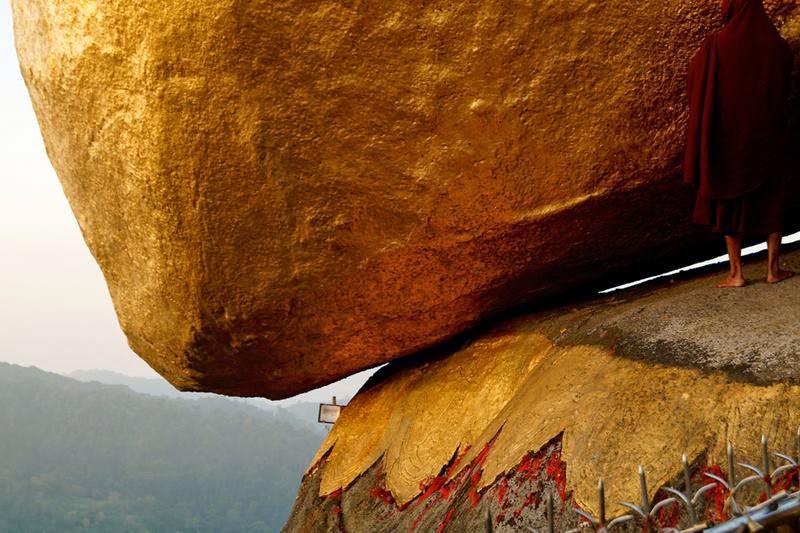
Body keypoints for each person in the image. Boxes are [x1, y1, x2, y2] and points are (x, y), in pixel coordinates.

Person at [683, 0, 795, 288]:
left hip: (730, 140)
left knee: (731, 204)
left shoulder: (716, 45)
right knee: (772, 202)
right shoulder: (777, 46)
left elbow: (695, 76)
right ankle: (773, 270)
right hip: (769, 139)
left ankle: (737, 273)